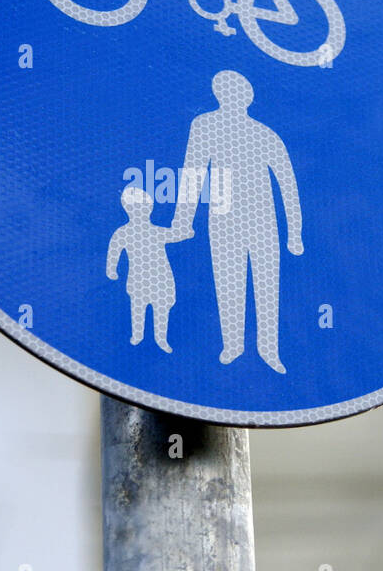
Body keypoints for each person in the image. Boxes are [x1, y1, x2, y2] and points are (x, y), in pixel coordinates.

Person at [170, 70, 302, 372]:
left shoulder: (264, 133)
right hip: (224, 219)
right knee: (228, 284)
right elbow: (193, 173)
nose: (234, 95)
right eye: (228, 90)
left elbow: (287, 182)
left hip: (263, 220)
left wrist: (295, 232)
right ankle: (233, 346)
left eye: (239, 90)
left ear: (248, 97)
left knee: (267, 284)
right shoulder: (204, 126)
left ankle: (269, 349)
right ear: (219, 94)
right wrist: (183, 221)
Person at [106, 186, 184, 353]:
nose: (141, 211)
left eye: (144, 207)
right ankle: (137, 336)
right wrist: (111, 270)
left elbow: (175, 235)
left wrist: (185, 232)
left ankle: (161, 339)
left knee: (162, 309)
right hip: (138, 280)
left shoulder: (156, 231)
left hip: (162, 279)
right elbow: (114, 250)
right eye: (136, 208)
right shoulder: (124, 233)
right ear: (128, 210)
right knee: (138, 308)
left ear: (149, 209)